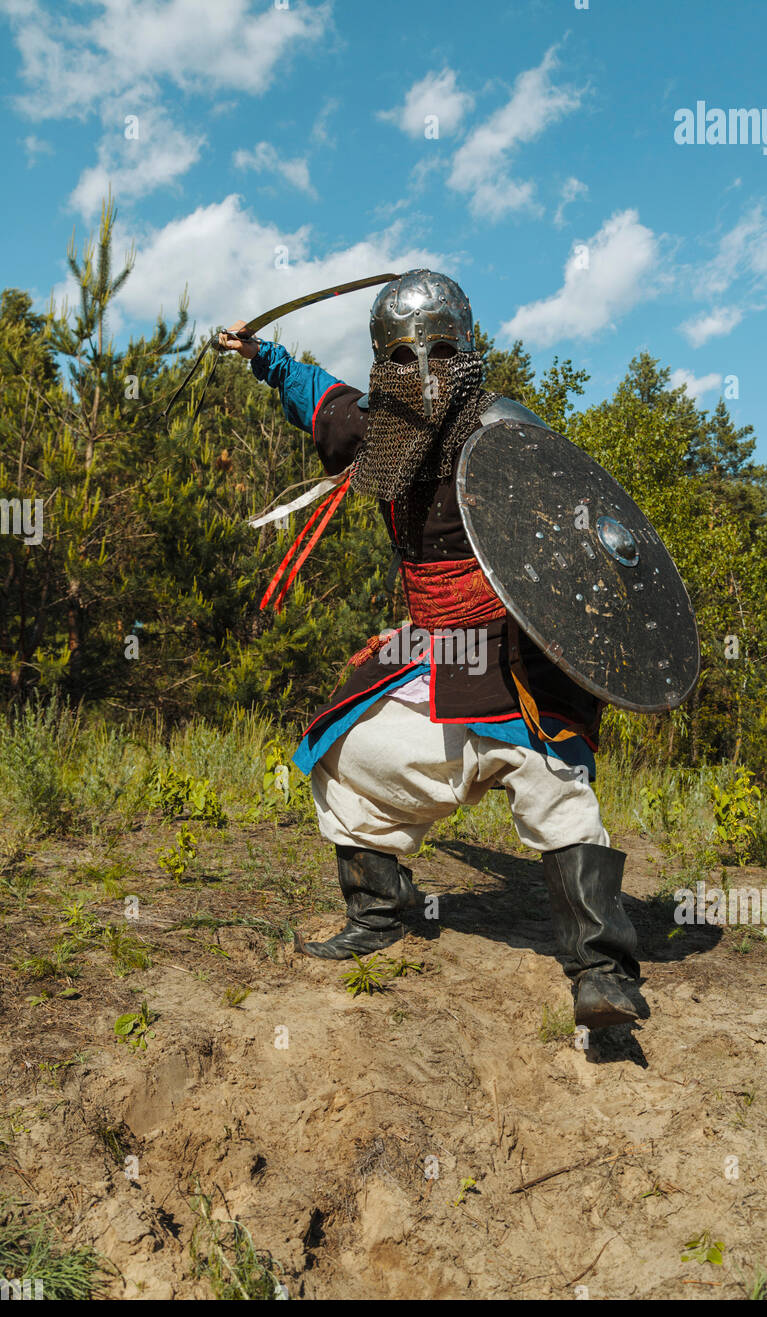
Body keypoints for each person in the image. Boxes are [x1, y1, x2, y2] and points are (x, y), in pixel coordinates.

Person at [219, 269, 645, 1030]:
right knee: (342, 747)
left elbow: (582, 545)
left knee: (555, 788)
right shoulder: (377, 430)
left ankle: (601, 969)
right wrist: (260, 354)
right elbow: (316, 395)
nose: (422, 371)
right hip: (434, 652)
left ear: (468, 351)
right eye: (403, 357)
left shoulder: (509, 432)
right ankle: (383, 908)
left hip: (516, 657)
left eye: (440, 349)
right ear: (384, 363)